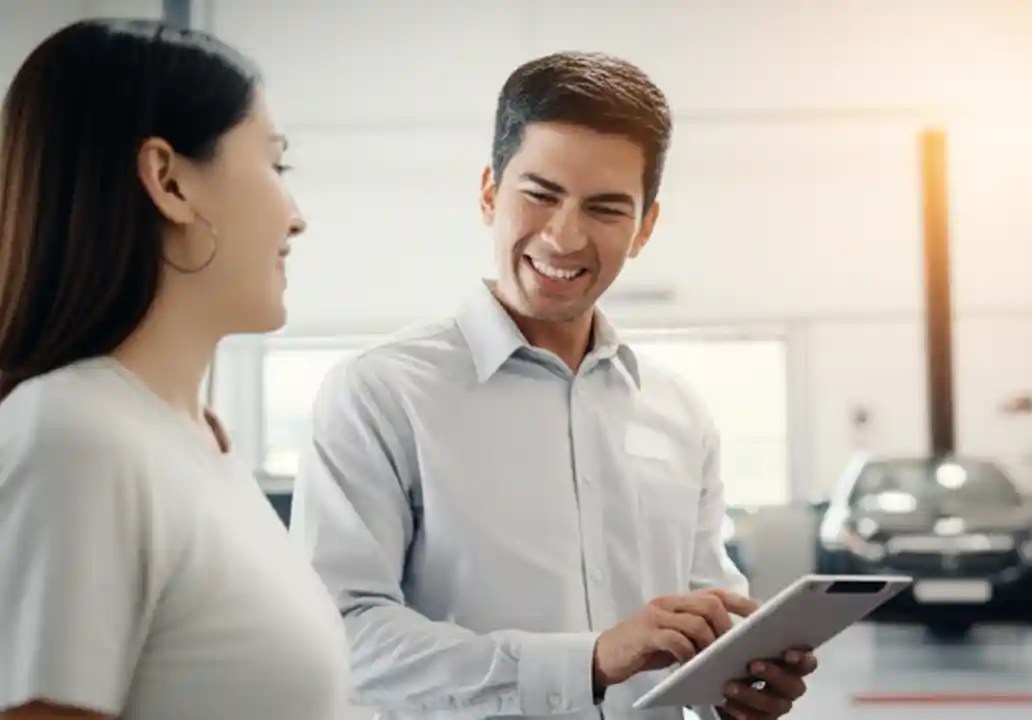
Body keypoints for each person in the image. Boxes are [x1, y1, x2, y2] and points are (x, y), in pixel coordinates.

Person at [291, 51, 817, 720]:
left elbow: (704, 610)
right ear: (489, 193)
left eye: (605, 208)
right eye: (539, 195)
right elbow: (341, 636)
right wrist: (588, 661)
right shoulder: (380, 394)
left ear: (645, 226)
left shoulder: (676, 411)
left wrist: (737, 680)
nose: (564, 237)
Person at [0, 20, 349, 720]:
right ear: (169, 180)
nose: (296, 216)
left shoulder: (196, 444)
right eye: (275, 165)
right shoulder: (77, 437)